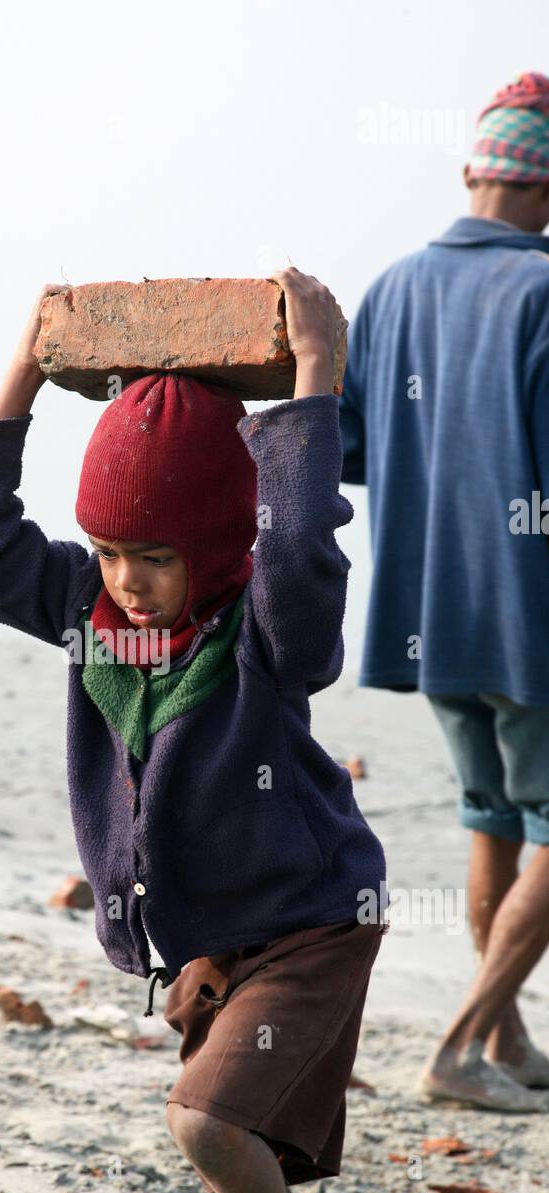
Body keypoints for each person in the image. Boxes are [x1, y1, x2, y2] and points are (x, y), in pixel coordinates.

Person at [0, 269, 388, 1193]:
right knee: (231, 1127)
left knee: (205, 1118)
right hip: (205, 937)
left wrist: (313, 378)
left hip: (310, 920)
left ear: (220, 545)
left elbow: (299, 546)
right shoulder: (80, 604)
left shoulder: (264, 631)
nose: (127, 580)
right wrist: (25, 369)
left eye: (155, 556)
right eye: (108, 550)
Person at [338, 72, 549, 1113]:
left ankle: (505, 1042)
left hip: (426, 620)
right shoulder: (544, 290)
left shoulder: (386, 290)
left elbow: (350, 449)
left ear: (472, 170)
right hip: (529, 619)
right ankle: (460, 1044)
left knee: (489, 820)